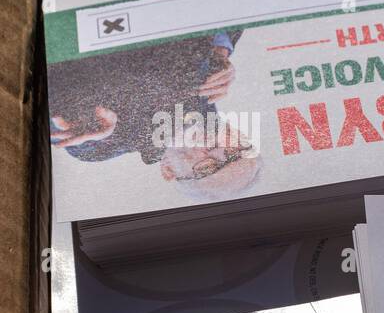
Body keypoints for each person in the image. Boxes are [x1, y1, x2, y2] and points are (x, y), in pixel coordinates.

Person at [48, 30, 260, 200]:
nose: (217, 149)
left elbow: (62, 127)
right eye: (235, 153)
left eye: (209, 167)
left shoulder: (102, 147)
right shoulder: (214, 77)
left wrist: (80, 115)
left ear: (169, 170)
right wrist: (220, 48)